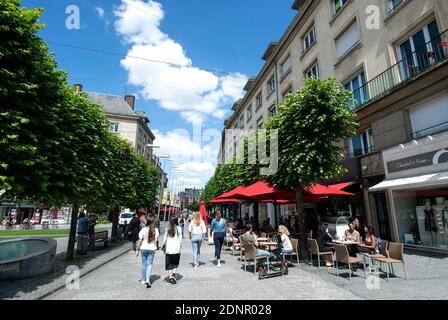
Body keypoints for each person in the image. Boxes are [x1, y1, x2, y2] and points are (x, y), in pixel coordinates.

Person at [136, 219, 159, 288]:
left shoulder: (143, 229)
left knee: (143, 264)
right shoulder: (155, 230)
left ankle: (143, 279)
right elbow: (156, 240)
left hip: (143, 248)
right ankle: (148, 279)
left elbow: (140, 240)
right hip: (152, 248)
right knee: (149, 264)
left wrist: (137, 249)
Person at [162, 219, 183, 284]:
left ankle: (170, 277)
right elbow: (180, 239)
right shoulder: (179, 228)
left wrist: (163, 246)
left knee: (169, 264)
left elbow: (165, 239)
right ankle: (173, 273)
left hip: (169, 249)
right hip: (176, 249)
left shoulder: (167, 228)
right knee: (175, 263)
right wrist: (180, 246)